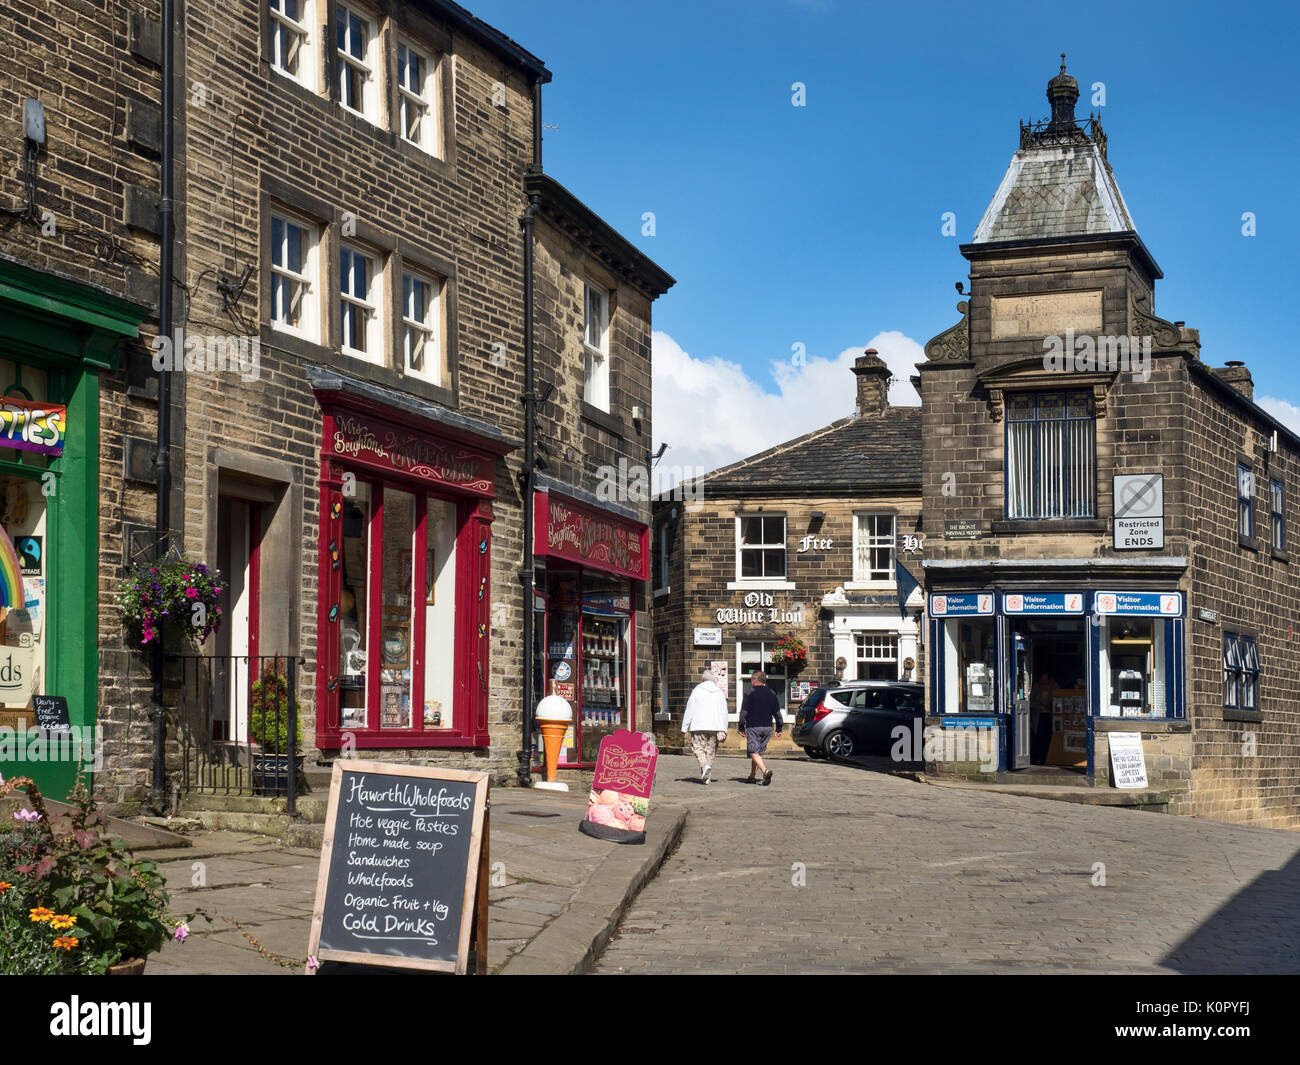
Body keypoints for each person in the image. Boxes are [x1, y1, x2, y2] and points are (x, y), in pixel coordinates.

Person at [681, 667, 728, 784]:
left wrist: (684, 726)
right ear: (714, 680)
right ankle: (707, 777)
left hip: (698, 725)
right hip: (715, 726)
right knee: (710, 751)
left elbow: (690, 709)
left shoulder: (697, 691)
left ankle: (704, 767)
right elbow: (724, 712)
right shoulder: (719, 692)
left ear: (702, 679)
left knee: (698, 748)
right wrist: (724, 728)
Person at [739, 670, 783, 785]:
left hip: (754, 727)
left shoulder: (749, 692)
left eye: (751, 679)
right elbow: (777, 713)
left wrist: (741, 726)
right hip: (768, 728)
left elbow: (744, 712)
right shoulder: (772, 693)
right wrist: (779, 728)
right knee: (758, 753)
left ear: (755, 680)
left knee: (753, 751)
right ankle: (752, 776)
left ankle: (765, 771)